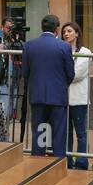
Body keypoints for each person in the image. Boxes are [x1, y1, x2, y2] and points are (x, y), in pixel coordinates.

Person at [21, 14, 75, 159]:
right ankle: (57, 165)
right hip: (58, 96)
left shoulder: (29, 45)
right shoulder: (64, 46)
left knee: (39, 133)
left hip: (37, 95)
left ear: (42, 28)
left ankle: (37, 164)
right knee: (58, 134)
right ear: (57, 29)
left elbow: (25, 73)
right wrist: (62, 85)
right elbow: (70, 73)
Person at [61, 22, 92, 170]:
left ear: (77, 34)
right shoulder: (61, 49)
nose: (66, 34)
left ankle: (81, 162)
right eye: (64, 32)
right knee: (65, 133)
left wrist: (60, 75)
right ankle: (67, 161)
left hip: (78, 99)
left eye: (69, 31)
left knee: (81, 133)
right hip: (63, 99)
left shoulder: (85, 52)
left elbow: (77, 74)